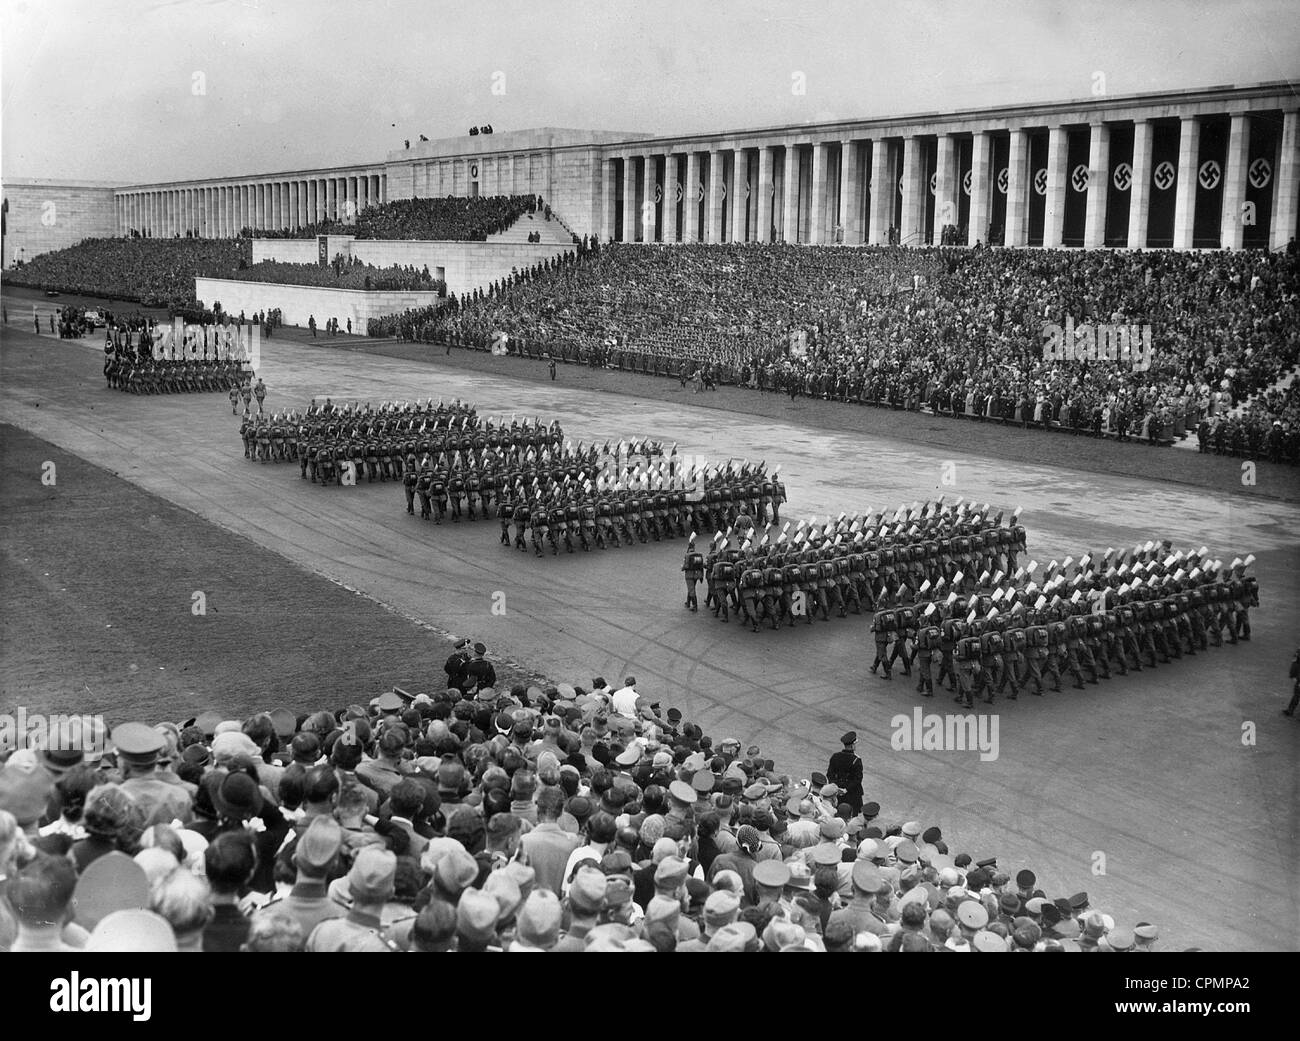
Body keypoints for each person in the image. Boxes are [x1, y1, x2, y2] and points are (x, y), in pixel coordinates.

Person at [825, 731, 863, 815]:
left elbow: (829, 774)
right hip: (852, 794)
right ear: (853, 745)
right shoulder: (856, 760)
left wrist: (836, 788)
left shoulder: (835, 756)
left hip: (836, 793)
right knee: (853, 815)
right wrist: (846, 789)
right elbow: (857, 779)